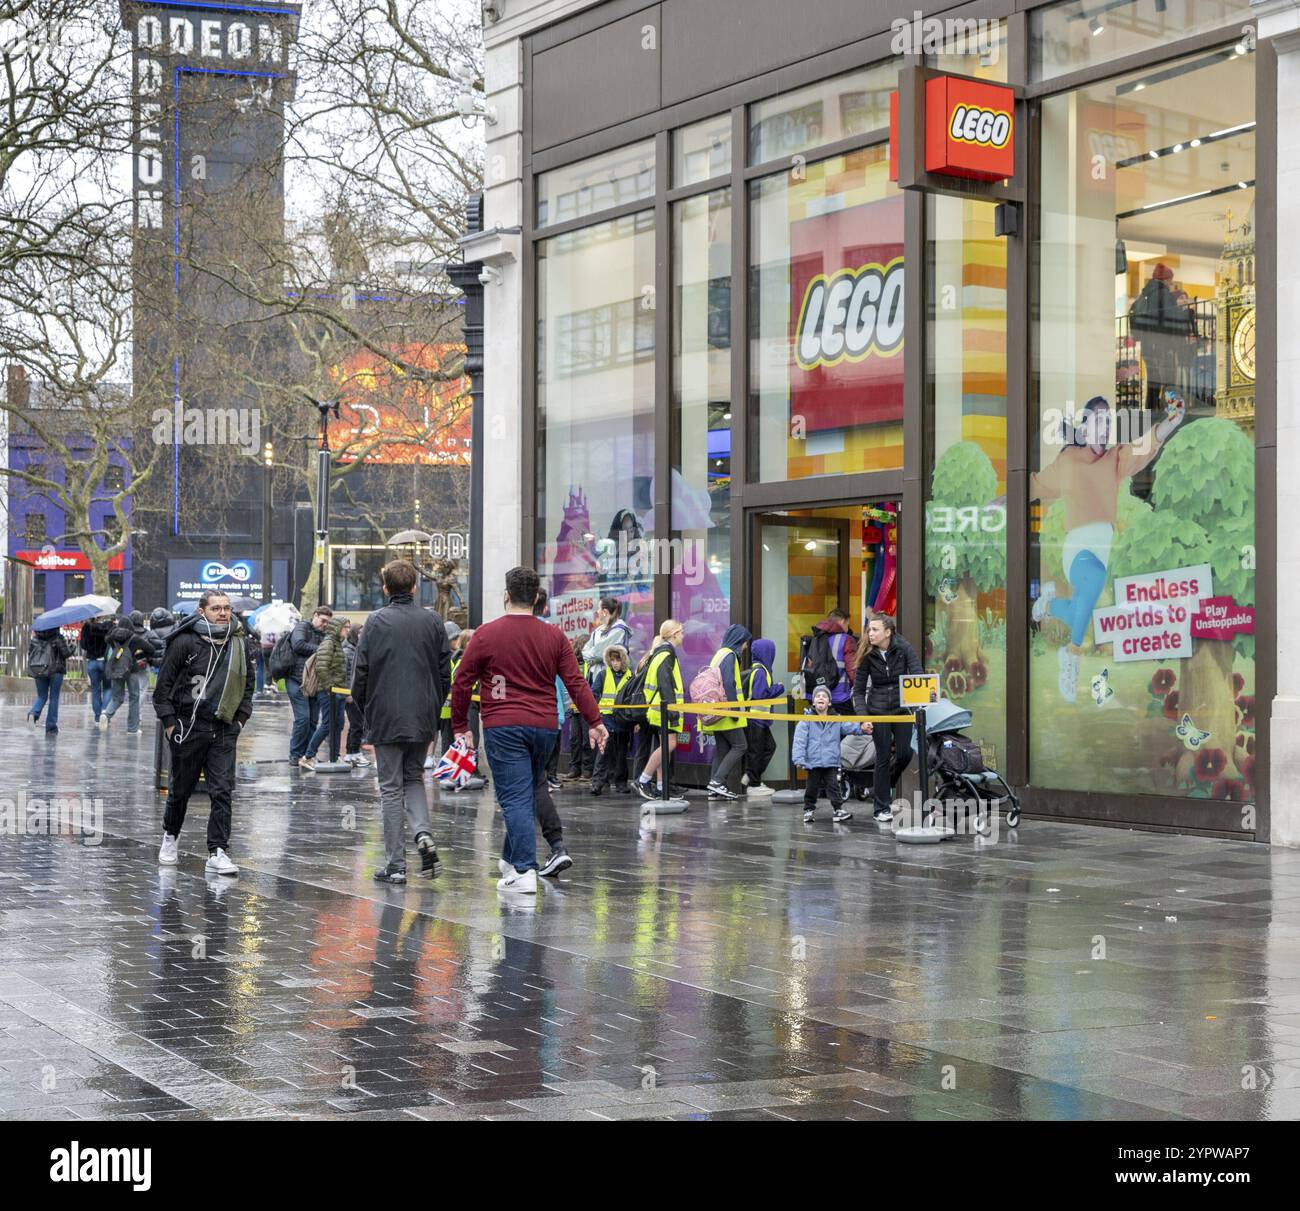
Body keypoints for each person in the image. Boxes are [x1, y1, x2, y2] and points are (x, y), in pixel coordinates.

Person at [1018, 393, 1184, 700]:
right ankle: (1071, 654)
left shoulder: (1115, 459)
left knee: (1082, 609)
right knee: (1093, 581)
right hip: (1077, 549)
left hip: (1101, 550)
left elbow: (1145, 447)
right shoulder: (1069, 461)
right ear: (1084, 429)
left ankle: (1048, 605)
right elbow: (1035, 484)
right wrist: (1002, 501)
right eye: (1099, 421)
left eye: (1109, 421)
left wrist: (1170, 424)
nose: (1106, 427)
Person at [451, 566, 606, 895]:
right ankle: (510, 861)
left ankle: (523, 870)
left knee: (514, 799)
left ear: (506, 596)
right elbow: (575, 681)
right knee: (527, 790)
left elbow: (462, 681)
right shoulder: (555, 636)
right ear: (537, 598)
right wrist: (595, 721)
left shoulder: (486, 634)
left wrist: (460, 726)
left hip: (504, 726)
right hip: (545, 727)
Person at [352, 561, 450, 885]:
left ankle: (396, 864)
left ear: (385, 588)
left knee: (391, 787)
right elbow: (444, 673)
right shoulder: (433, 621)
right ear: (413, 588)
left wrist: (365, 713)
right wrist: (433, 707)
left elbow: (361, 674)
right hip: (422, 714)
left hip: (386, 715)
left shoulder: (375, 621)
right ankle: (423, 832)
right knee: (414, 778)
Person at [152, 590, 255, 875]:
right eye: (216, 608)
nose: (223, 613)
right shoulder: (185, 642)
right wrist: (172, 724)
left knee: (221, 790)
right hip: (188, 727)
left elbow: (248, 686)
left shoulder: (239, 643)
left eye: (226, 608)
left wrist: (239, 722)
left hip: (223, 729)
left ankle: (218, 850)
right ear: (202, 611)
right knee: (180, 790)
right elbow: (161, 691)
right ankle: (170, 836)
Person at [852, 612, 923, 824]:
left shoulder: (903, 648)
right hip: (878, 712)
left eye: (874, 629)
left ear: (888, 632)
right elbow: (858, 691)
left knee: (905, 754)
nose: (870, 633)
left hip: (901, 711)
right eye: (869, 629)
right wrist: (864, 718)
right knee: (882, 756)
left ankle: (877, 788)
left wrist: (920, 705)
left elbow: (918, 674)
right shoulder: (867, 653)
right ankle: (881, 807)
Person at [794, 685, 865, 823]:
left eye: (824, 696)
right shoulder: (806, 720)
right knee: (812, 787)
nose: (821, 697)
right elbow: (799, 740)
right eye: (817, 696)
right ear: (813, 702)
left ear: (829, 702)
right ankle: (809, 810)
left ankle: (838, 809)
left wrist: (862, 728)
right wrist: (799, 758)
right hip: (813, 762)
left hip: (831, 761)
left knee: (833, 786)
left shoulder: (836, 719)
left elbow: (849, 726)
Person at [634, 620, 684, 801]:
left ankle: (662, 789)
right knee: (669, 745)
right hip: (664, 709)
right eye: (681, 632)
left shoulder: (660, 652)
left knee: (665, 747)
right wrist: (672, 711)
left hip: (657, 709)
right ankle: (643, 780)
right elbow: (665, 684)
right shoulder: (666, 653)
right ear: (674, 634)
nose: (683, 636)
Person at [701, 623, 752, 800]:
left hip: (717, 711)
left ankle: (714, 788)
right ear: (739, 641)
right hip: (727, 711)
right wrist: (735, 709)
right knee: (740, 746)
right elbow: (729, 683)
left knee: (722, 749)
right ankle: (718, 781)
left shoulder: (719, 654)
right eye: (745, 642)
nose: (746, 647)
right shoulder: (730, 656)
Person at [301, 616, 351, 769]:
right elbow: (322, 667)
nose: (347, 630)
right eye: (345, 627)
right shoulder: (329, 643)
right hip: (329, 692)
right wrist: (330, 688)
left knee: (338, 724)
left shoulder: (336, 644)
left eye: (348, 627)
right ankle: (308, 756)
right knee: (328, 724)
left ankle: (335, 757)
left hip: (338, 691)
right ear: (337, 628)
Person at [286, 606, 331, 764]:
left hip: (314, 682)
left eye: (328, 622)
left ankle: (307, 755)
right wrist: (321, 650)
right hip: (296, 679)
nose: (325, 624)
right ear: (315, 615)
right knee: (303, 719)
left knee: (312, 721)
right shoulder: (302, 627)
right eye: (323, 620)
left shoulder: (325, 634)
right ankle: (296, 754)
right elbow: (298, 645)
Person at [741, 637, 785, 793]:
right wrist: (778, 688)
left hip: (760, 719)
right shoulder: (760, 672)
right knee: (758, 751)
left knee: (767, 748)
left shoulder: (760, 669)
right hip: (756, 719)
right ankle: (753, 784)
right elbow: (761, 695)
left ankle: (752, 775)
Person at [103, 611, 157, 735]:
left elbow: (107, 638)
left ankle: (106, 715)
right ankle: (132, 728)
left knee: (117, 697)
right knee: (134, 697)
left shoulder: (112, 638)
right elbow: (151, 650)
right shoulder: (134, 638)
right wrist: (139, 655)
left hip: (116, 668)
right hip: (131, 670)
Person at [590, 643, 632, 795]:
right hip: (606, 719)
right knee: (603, 752)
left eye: (618, 660)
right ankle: (597, 783)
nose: (615, 663)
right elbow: (594, 694)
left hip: (623, 720)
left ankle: (621, 783)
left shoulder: (630, 676)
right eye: (612, 660)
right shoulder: (603, 675)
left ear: (623, 660)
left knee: (621, 753)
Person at [813, 607, 858, 713]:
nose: (848, 628)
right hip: (840, 697)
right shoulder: (846, 639)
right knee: (849, 728)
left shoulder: (816, 638)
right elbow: (852, 670)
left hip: (818, 697)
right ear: (843, 621)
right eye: (847, 624)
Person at [28, 625, 71, 733]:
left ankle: (33, 713)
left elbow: (30, 654)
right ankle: (51, 726)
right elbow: (65, 653)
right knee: (54, 697)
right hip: (55, 670)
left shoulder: (35, 639)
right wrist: (72, 647)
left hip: (39, 669)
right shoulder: (57, 638)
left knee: (42, 696)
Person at [564, 636, 596, 782]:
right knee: (575, 739)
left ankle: (587, 769)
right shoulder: (574, 663)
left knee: (585, 739)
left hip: (585, 707)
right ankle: (575, 768)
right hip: (574, 706)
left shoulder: (590, 665)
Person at [582, 596, 632, 691]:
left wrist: (592, 655)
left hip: (611, 678)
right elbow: (585, 651)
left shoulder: (619, 630)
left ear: (605, 612)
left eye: (598, 608)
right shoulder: (598, 630)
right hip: (594, 675)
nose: (597, 612)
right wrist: (593, 655)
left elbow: (599, 653)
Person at [78, 613, 114, 726]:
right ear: (102, 615)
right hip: (105, 662)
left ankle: (98, 718)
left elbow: (83, 645)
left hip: (92, 662)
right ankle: (105, 712)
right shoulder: (109, 626)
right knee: (108, 688)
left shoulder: (86, 627)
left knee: (95, 690)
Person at [341, 622, 369, 766]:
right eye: (359, 633)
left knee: (357, 724)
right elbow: (346, 674)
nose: (361, 635)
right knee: (356, 724)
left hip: (358, 694)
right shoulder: (348, 651)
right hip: (351, 695)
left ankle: (352, 752)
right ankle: (353, 753)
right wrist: (348, 694)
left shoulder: (357, 649)